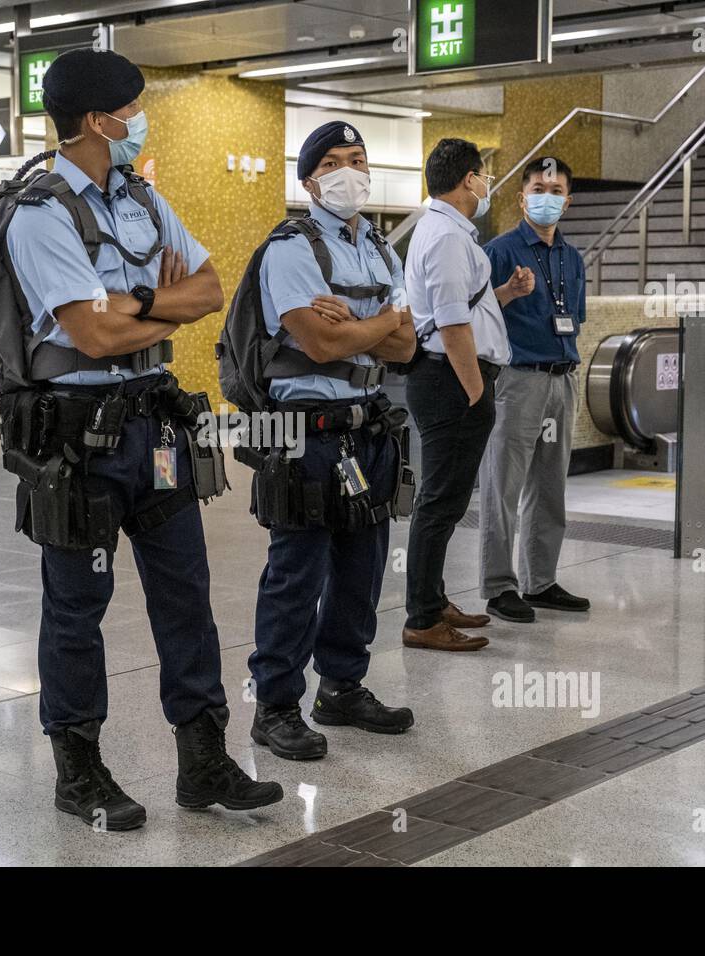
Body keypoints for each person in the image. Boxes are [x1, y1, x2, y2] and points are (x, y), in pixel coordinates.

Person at [5, 49, 282, 829]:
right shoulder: (39, 215)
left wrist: (138, 303)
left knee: (185, 596)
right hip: (74, 439)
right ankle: (80, 770)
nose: (140, 118)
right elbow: (90, 334)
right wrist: (160, 303)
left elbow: (212, 287)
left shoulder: (143, 200)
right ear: (99, 120)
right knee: (76, 607)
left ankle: (203, 762)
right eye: (133, 105)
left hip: (153, 427)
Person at [246, 120, 417, 761]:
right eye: (336, 161)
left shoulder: (378, 248)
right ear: (310, 178)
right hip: (305, 435)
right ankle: (275, 706)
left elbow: (408, 345)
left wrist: (361, 324)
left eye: (359, 159)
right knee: (296, 572)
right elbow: (317, 343)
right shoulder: (291, 249)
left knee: (361, 570)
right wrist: (381, 323)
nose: (351, 171)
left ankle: (342, 686)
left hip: (367, 428)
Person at [401, 138, 518, 652]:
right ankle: (423, 618)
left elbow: (460, 306)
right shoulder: (447, 237)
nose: (487, 184)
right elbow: (450, 324)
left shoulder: (446, 232)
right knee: (440, 502)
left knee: (444, 502)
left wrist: (506, 295)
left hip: (448, 379)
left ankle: (433, 598)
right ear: (469, 179)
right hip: (451, 381)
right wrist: (476, 391)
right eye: (484, 175)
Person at [480, 156, 592, 622]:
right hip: (518, 380)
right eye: (539, 188)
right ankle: (498, 585)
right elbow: (477, 315)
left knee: (549, 486)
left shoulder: (572, 257)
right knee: (503, 487)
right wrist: (508, 293)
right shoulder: (500, 252)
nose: (548, 197)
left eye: (557, 190)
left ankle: (540, 580)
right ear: (521, 196)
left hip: (561, 379)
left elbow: (576, 319)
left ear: (568, 200)